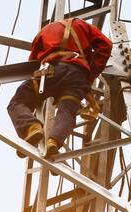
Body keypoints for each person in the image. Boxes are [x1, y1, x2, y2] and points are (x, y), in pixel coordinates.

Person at [7, 18, 112, 159]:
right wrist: (90, 73)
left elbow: (32, 64)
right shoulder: (82, 25)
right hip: (76, 76)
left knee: (17, 102)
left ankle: (31, 127)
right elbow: (106, 45)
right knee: (67, 110)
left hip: (49, 72)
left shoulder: (43, 32)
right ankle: (54, 142)